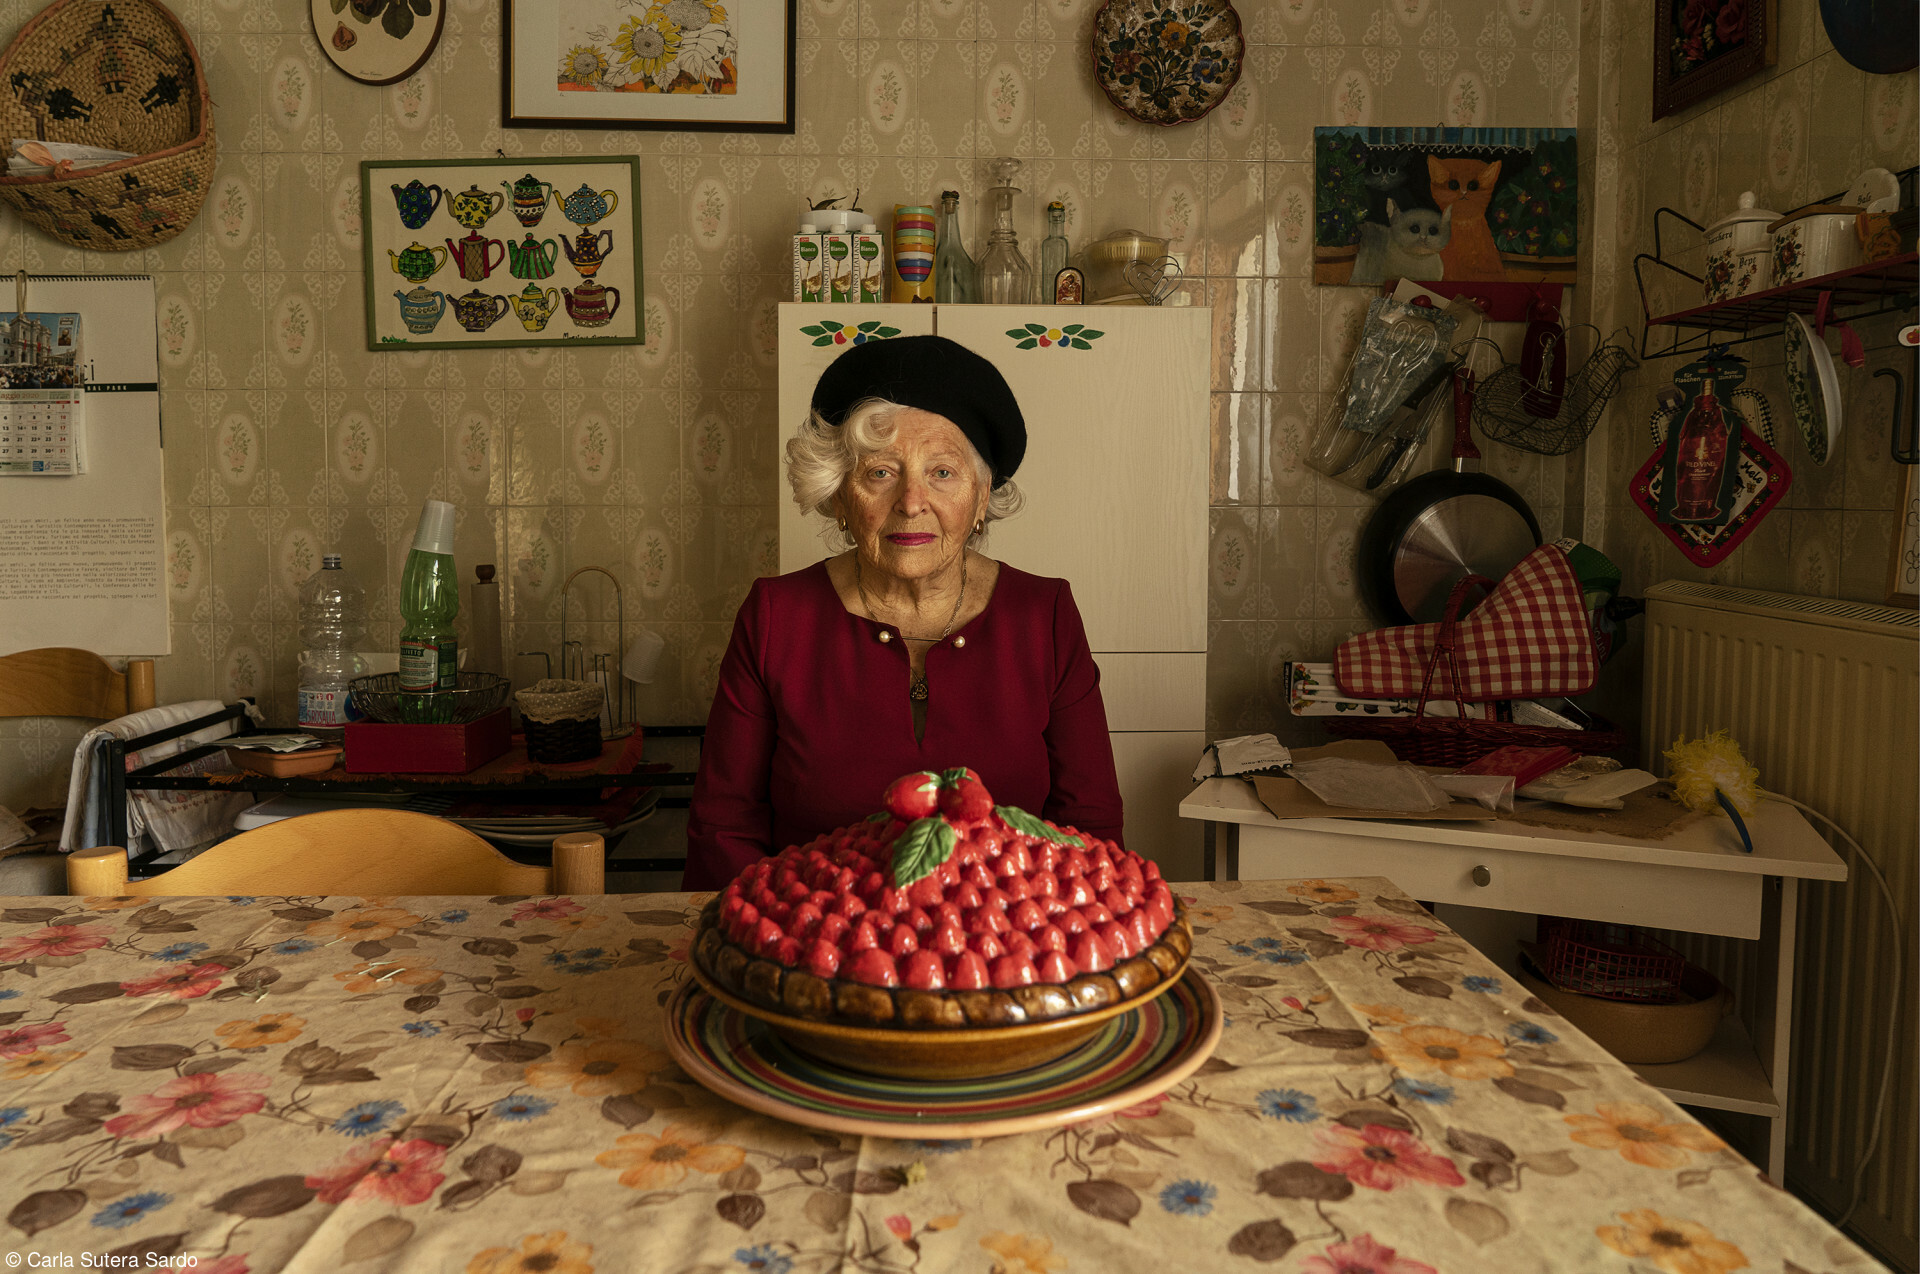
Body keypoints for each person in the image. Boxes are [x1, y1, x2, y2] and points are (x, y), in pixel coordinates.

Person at [683, 335, 1123, 890]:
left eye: (942, 472)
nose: (912, 501)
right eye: (880, 473)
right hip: (818, 947)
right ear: (840, 496)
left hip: (1003, 948)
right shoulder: (776, 619)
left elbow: (1091, 831)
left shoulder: (1046, 618)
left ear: (982, 497)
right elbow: (723, 828)